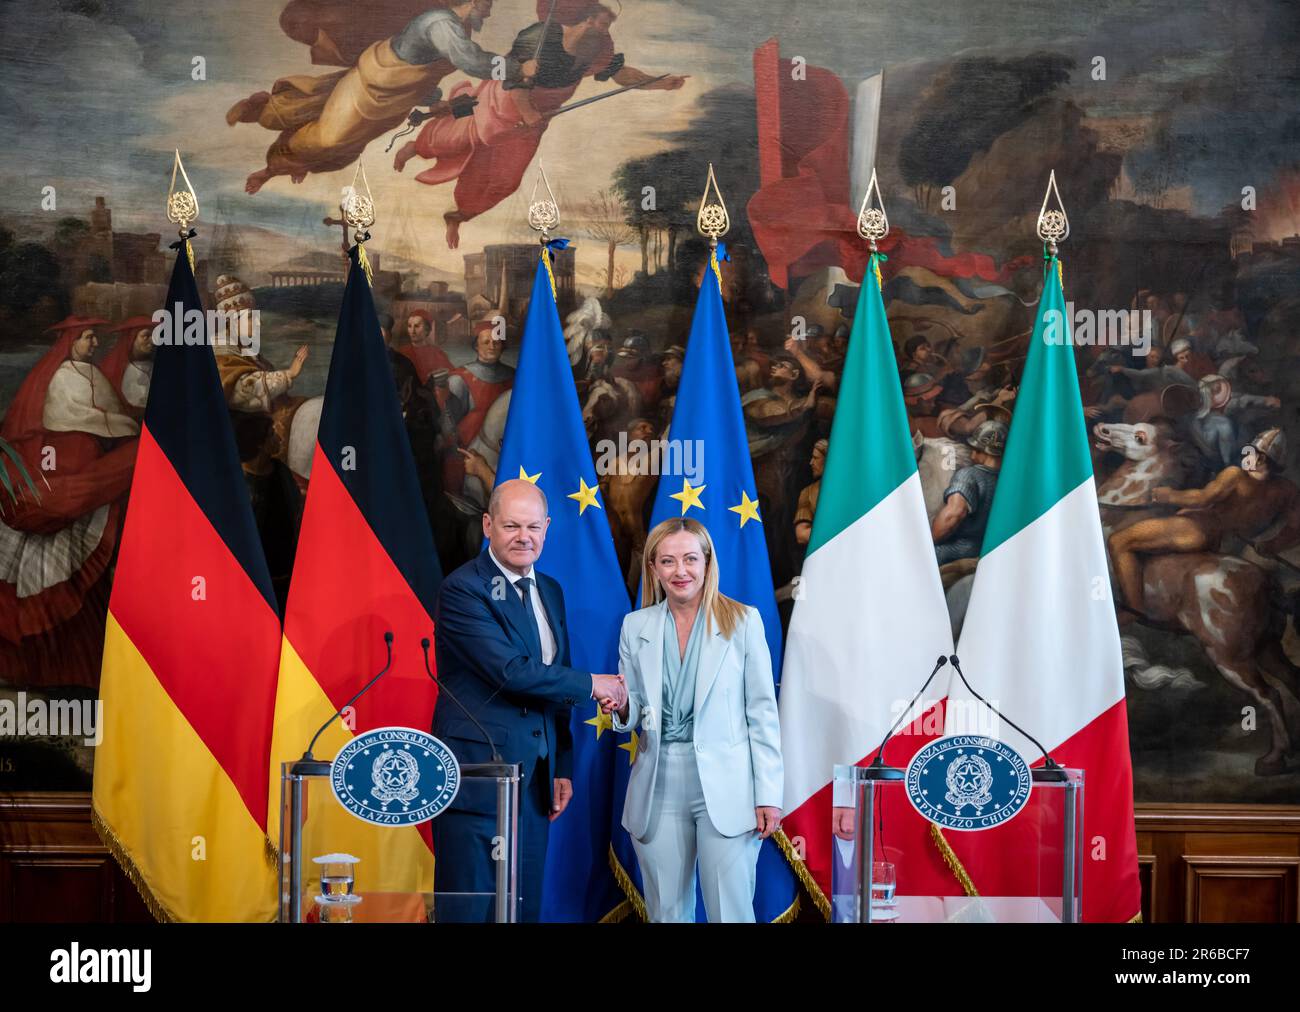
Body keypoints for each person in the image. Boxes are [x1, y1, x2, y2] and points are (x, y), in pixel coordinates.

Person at [431, 478, 625, 921]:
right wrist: (593, 684)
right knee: (471, 909)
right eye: (512, 526)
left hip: (534, 779)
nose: (524, 537)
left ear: (547, 527)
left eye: (534, 527)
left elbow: (552, 687)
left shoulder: (549, 589)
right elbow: (511, 672)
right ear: (488, 525)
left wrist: (560, 765)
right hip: (478, 778)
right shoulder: (463, 589)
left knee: (522, 906)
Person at [608, 517, 783, 922]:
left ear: (707, 563)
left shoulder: (742, 621)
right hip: (658, 784)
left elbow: (762, 713)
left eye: (690, 559)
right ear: (653, 568)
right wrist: (621, 706)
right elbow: (633, 708)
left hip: (728, 786)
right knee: (666, 913)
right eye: (667, 561)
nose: (680, 571)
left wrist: (769, 794)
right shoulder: (636, 626)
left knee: (731, 912)